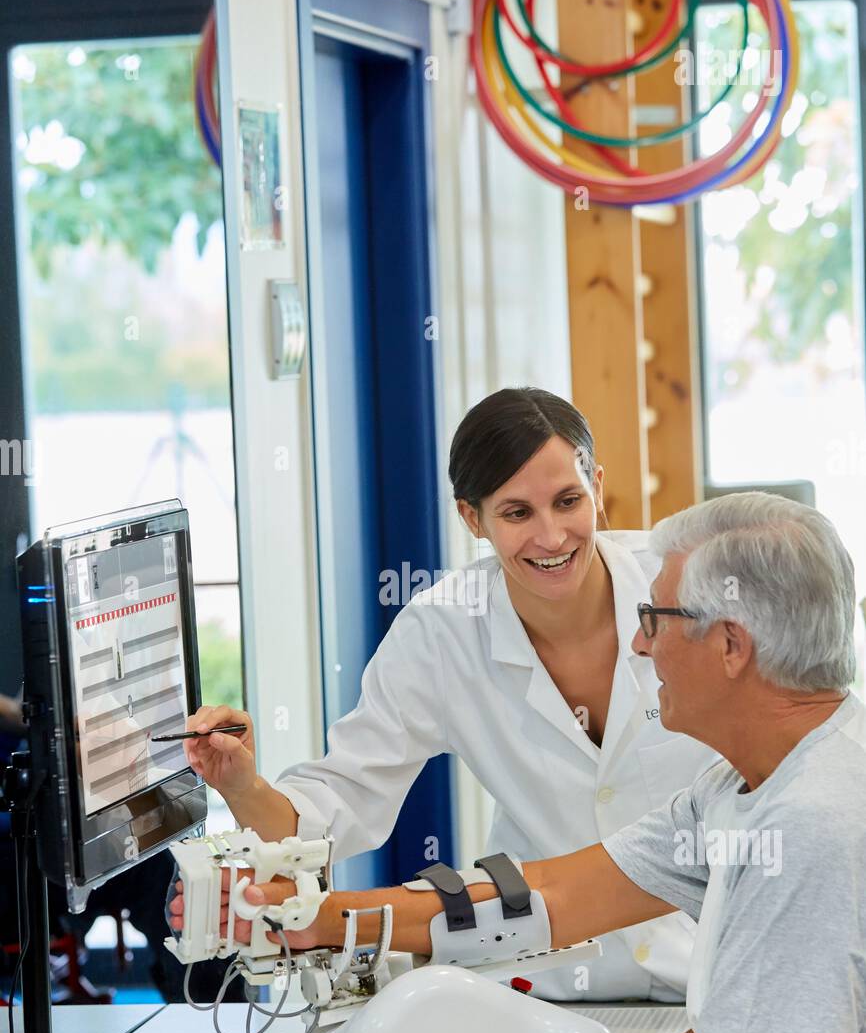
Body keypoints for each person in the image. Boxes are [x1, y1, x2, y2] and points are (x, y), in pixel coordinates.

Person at [172, 491, 866, 1033]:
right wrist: (315, 920)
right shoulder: (747, 783)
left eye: (657, 620)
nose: (640, 646)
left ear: (731, 646)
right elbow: (551, 894)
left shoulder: (811, 823)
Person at [182, 387, 715, 1001]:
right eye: (517, 513)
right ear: (472, 519)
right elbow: (342, 801)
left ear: (597, 486)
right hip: (548, 984)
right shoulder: (442, 631)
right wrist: (243, 786)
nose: (551, 536)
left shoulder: (687, 586)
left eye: (568, 501)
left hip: (712, 974)